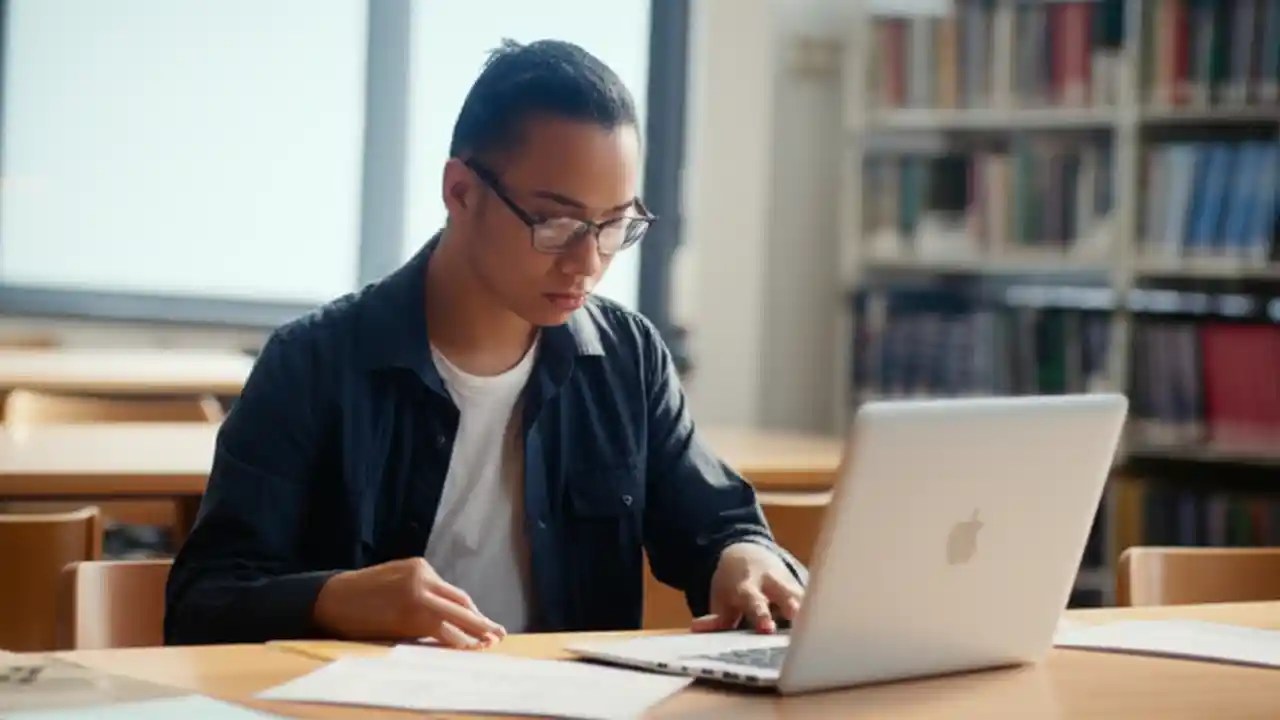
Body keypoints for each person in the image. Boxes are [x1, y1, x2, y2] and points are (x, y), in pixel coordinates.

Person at [165, 39, 805, 648]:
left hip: (566, 703)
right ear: (461, 192)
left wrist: (745, 556)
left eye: (614, 226)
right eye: (556, 222)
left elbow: (719, 525)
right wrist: (332, 599)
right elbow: (202, 603)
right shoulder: (312, 364)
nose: (587, 262)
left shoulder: (627, 360)